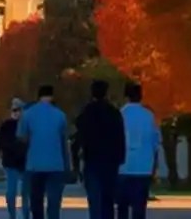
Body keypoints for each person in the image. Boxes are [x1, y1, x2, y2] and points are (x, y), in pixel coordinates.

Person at [72, 80, 126, 219]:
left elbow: (79, 135)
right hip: (110, 162)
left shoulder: (87, 112)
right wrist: (120, 157)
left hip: (92, 160)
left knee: (95, 200)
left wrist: (76, 161)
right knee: (108, 200)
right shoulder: (114, 113)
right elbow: (120, 136)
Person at [16, 85, 69, 219]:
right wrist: (68, 166)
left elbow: (21, 137)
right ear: (52, 97)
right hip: (56, 164)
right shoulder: (60, 115)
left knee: (36, 201)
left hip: (34, 164)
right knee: (54, 202)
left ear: (38, 96)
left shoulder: (28, 114)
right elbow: (64, 141)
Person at [116, 83, 161, 219]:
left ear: (125, 96)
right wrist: (155, 166)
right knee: (140, 207)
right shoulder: (149, 116)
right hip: (143, 167)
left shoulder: (120, 115)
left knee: (122, 207)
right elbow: (155, 143)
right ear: (141, 96)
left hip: (123, 167)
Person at [0, 98, 31, 219]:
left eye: (19, 110)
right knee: (11, 193)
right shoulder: (7, 125)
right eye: (14, 110)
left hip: (25, 163)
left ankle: (25, 215)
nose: (16, 112)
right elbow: (1, 142)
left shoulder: (27, 126)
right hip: (11, 163)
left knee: (25, 193)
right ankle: (12, 215)